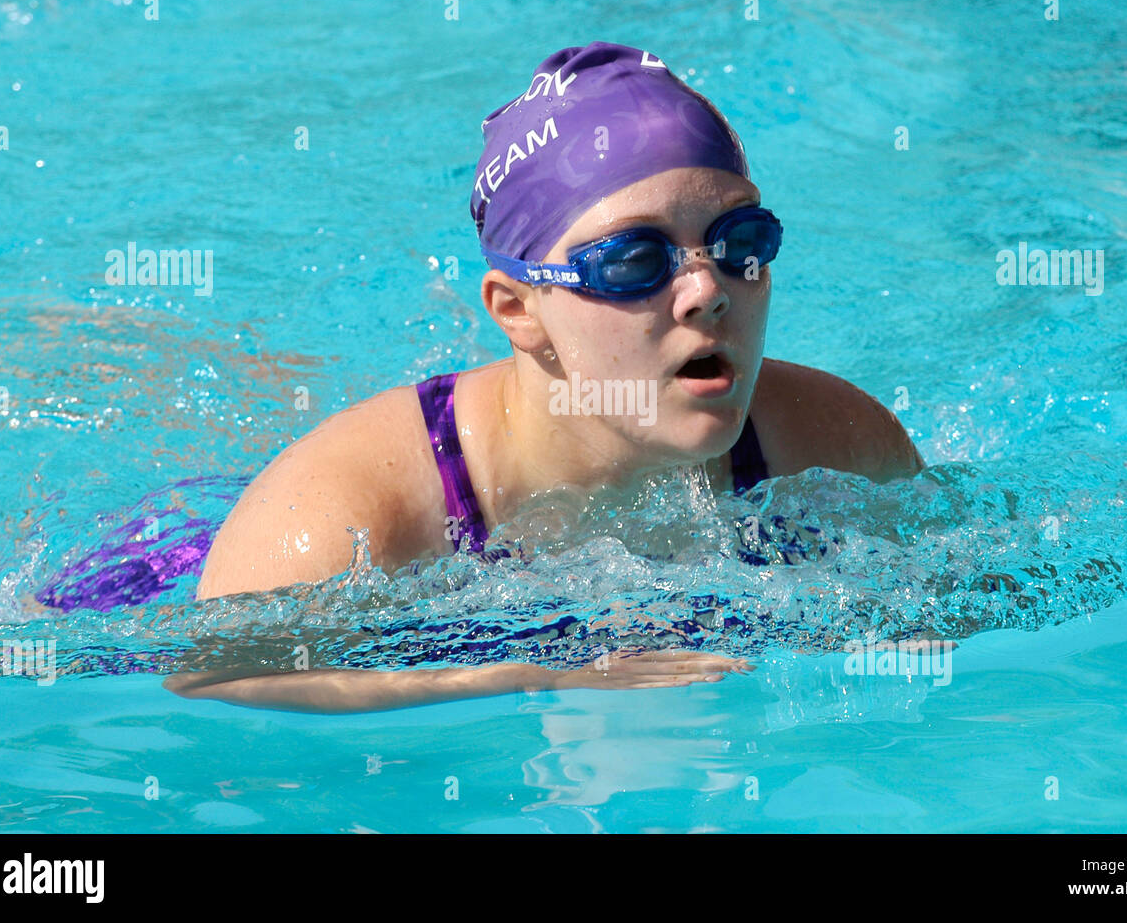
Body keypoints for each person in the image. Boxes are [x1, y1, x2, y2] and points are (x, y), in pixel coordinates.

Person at [166, 42, 923, 713]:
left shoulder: (837, 442)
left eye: (740, 240)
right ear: (518, 310)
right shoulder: (343, 515)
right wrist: (523, 677)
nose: (708, 289)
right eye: (635, 260)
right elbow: (211, 679)